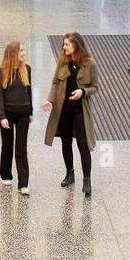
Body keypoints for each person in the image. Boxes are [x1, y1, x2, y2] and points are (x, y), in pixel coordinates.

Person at [42, 32, 97, 197]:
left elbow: (95, 87)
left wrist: (83, 91)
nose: (63, 47)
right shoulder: (63, 61)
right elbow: (55, 82)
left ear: (76, 46)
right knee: (66, 142)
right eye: (63, 44)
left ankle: (87, 180)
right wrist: (50, 100)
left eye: (67, 44)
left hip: (80, 110)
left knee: (83, 145)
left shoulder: (89, 64)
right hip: (63, 110)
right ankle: (69, 173)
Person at [0, 40, 33, 194]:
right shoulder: (1, 71)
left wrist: (30, 112)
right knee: (7, 145)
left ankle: (23, 183)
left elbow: (29, 91)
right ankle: (6, 174)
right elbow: (0, 95)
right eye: (21, 50)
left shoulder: (27, 69)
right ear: (13, 54)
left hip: (23, 113)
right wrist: (2, 116)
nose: (24, 53)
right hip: (8, 114)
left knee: (21, 147)